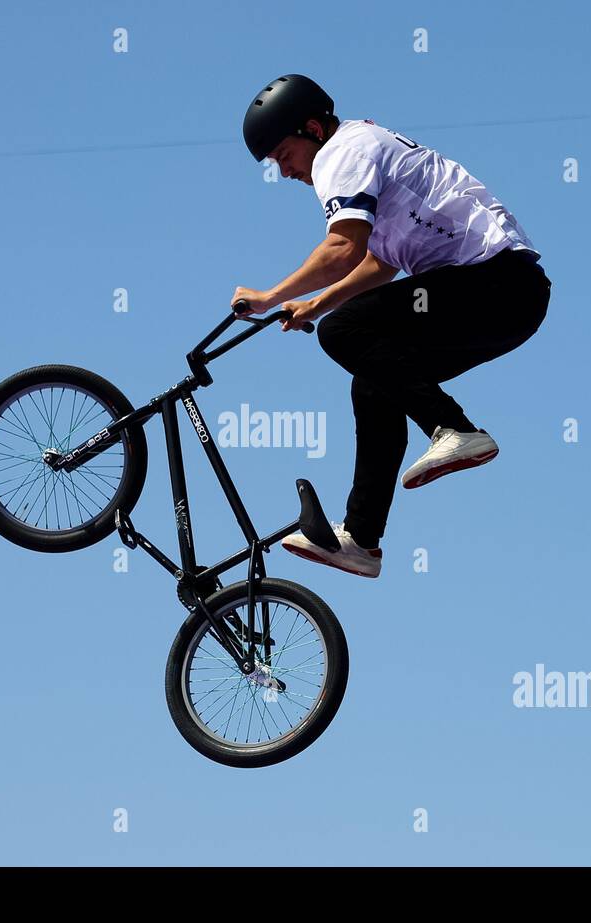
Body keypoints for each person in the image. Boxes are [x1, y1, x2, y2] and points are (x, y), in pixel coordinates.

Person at [232, 74, 552, 578]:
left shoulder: (343, 152)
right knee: (375, 380)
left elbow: (343, 248)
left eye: (283, 154)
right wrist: (315, 304)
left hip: (496, 283)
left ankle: (455, 428)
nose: (284, 170)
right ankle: (360, 540)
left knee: (345, 333)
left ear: (313, 129)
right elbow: (380, 262)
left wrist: (271, 295)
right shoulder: (363, 150)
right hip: (508, 302)